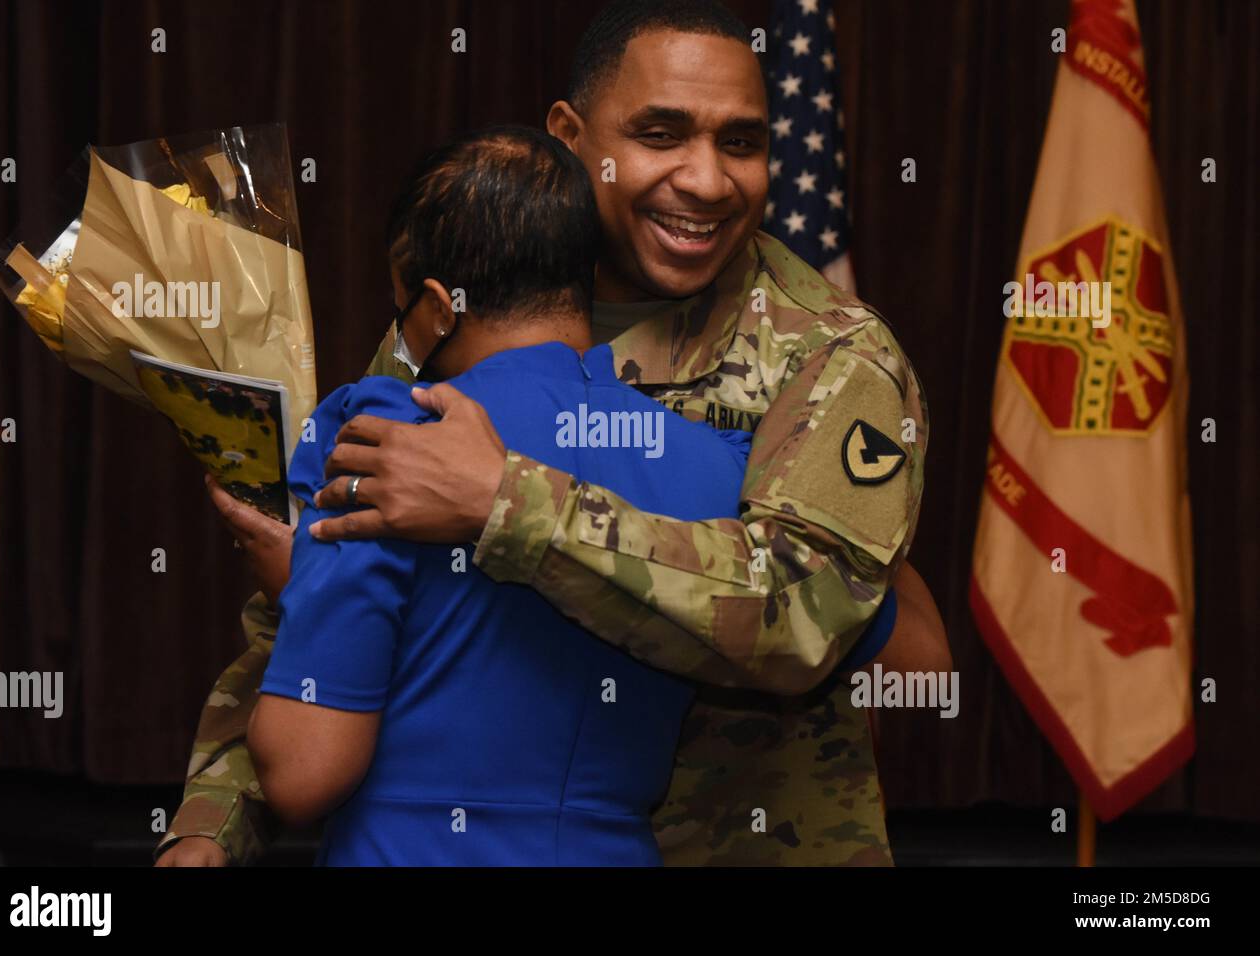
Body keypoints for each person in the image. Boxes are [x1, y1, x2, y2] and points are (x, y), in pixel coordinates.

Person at [157, 0, 947, 868]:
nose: (708, 180)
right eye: (661, 133)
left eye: (742, 143)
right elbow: (332, 597)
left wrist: (507, 503)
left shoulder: (834, 357)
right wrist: (214, 818)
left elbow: (809, 620)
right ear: (572, 137)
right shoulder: (446, 329)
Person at [247, 125, 886, 865]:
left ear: (436, 304)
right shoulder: (721, 467)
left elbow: (304, 773)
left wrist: (298, 593)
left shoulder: (383, 440)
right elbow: (866, 625)